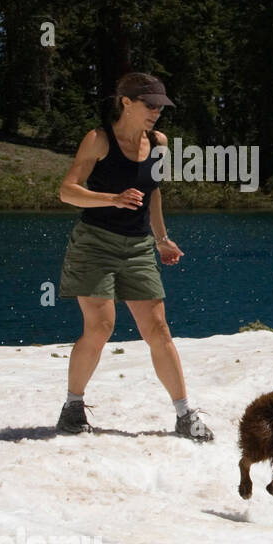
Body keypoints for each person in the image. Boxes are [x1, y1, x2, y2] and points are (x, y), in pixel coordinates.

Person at [54, 72, 213, 441]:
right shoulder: (98, 140)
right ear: (126, 102)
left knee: (158, 329)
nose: (157, 112)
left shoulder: (158, 143)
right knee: (100, 327)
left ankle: (185, 414)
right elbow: (67, 191)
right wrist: (111, 197)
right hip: (94, 243)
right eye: (150, 104)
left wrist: (162, 239)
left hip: (138, 245)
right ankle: (72, 406)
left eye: (161, 106)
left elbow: (153, 192)